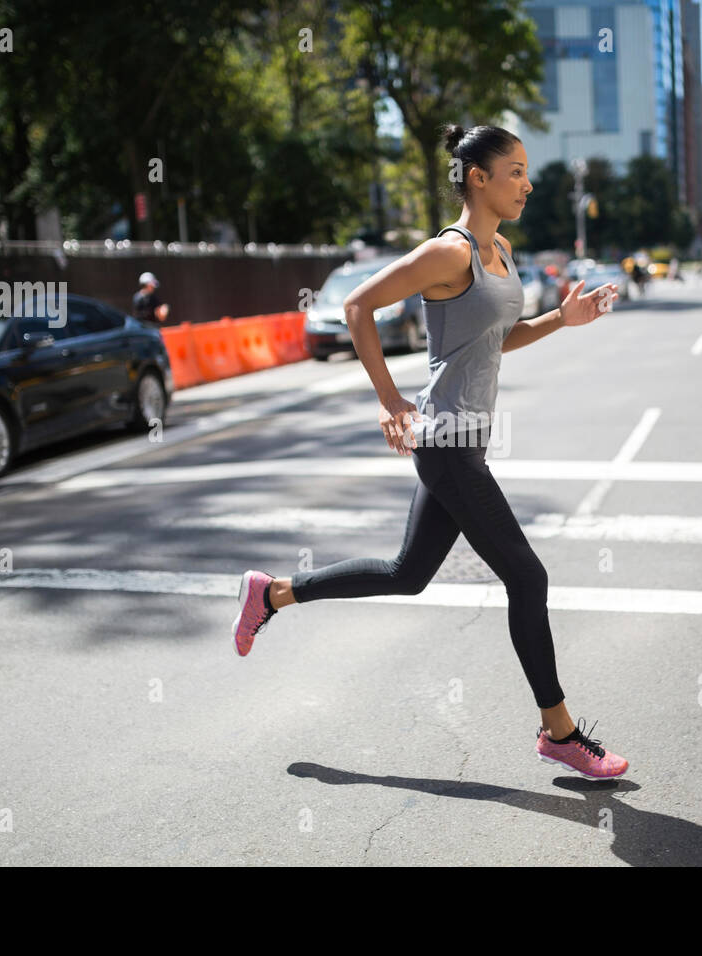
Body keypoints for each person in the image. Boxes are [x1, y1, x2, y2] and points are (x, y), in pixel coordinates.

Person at [230, 123, 629, 780]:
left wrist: (563, 318)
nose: (527, 183)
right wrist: (391, 401)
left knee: (407, 573)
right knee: (528, 579)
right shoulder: (449, 252)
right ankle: (558, 731)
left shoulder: (499, 247)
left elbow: (497, 339)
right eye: (516, 172)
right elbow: (359, 307)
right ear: (479, 178)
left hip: (464, 446)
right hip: (445, 445)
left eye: (527, 172)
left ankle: (272, 594)